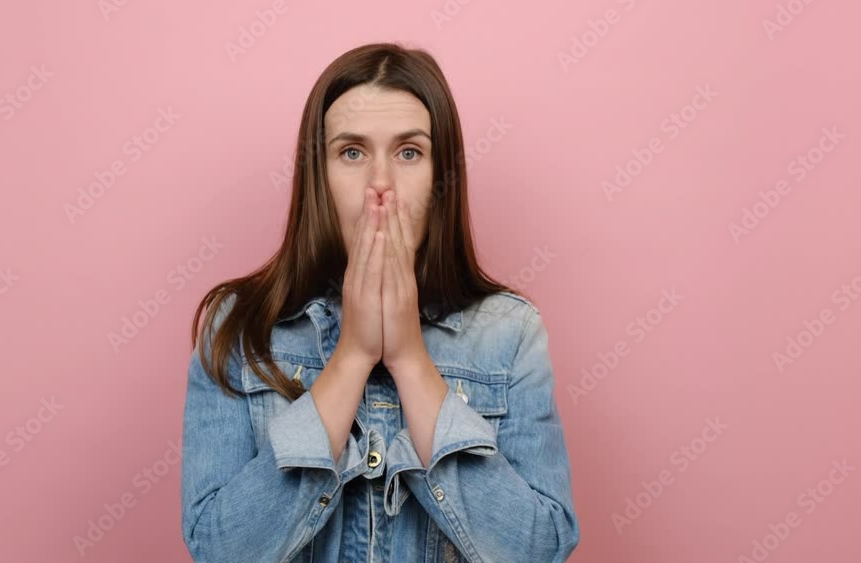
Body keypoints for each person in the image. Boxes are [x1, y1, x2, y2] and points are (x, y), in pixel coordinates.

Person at [180, 42, 580, 563]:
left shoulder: (511, 334)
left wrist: (411, 360)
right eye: (352, 152)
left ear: (441, 180)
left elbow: (538, 549)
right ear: (318, 178)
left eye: (409, 152)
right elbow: (219, 549)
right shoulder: (238, 328)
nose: (380, 185)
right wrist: (350, 358)